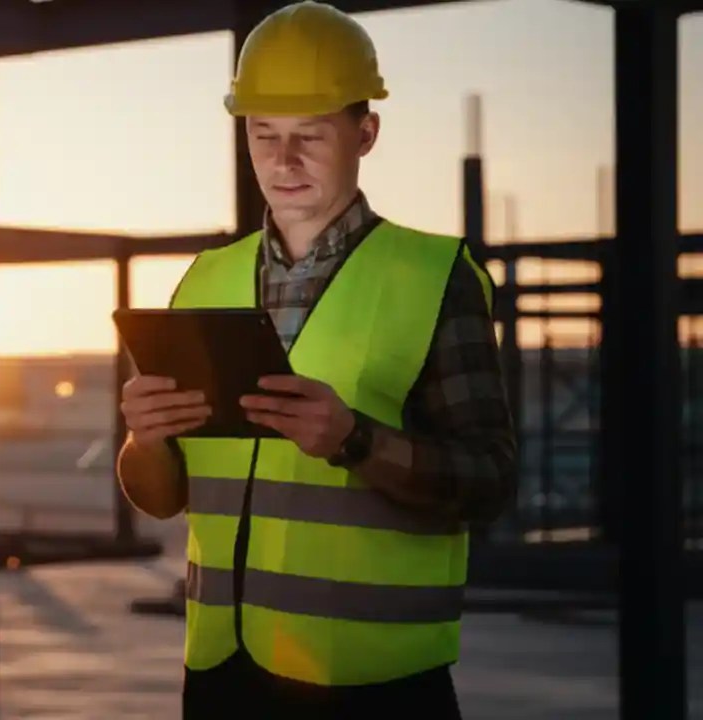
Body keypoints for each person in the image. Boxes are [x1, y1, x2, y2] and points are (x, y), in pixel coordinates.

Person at [115, 2, 518, 718]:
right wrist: (143, 441)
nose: (283, 159)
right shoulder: (204, 279)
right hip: (223, 675)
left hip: (376, 686)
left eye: (310, 135)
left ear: (366, 133)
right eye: (264, 134)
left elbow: (488, 482)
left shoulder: (434, 277)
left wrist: (354, 440)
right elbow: (163, 495)